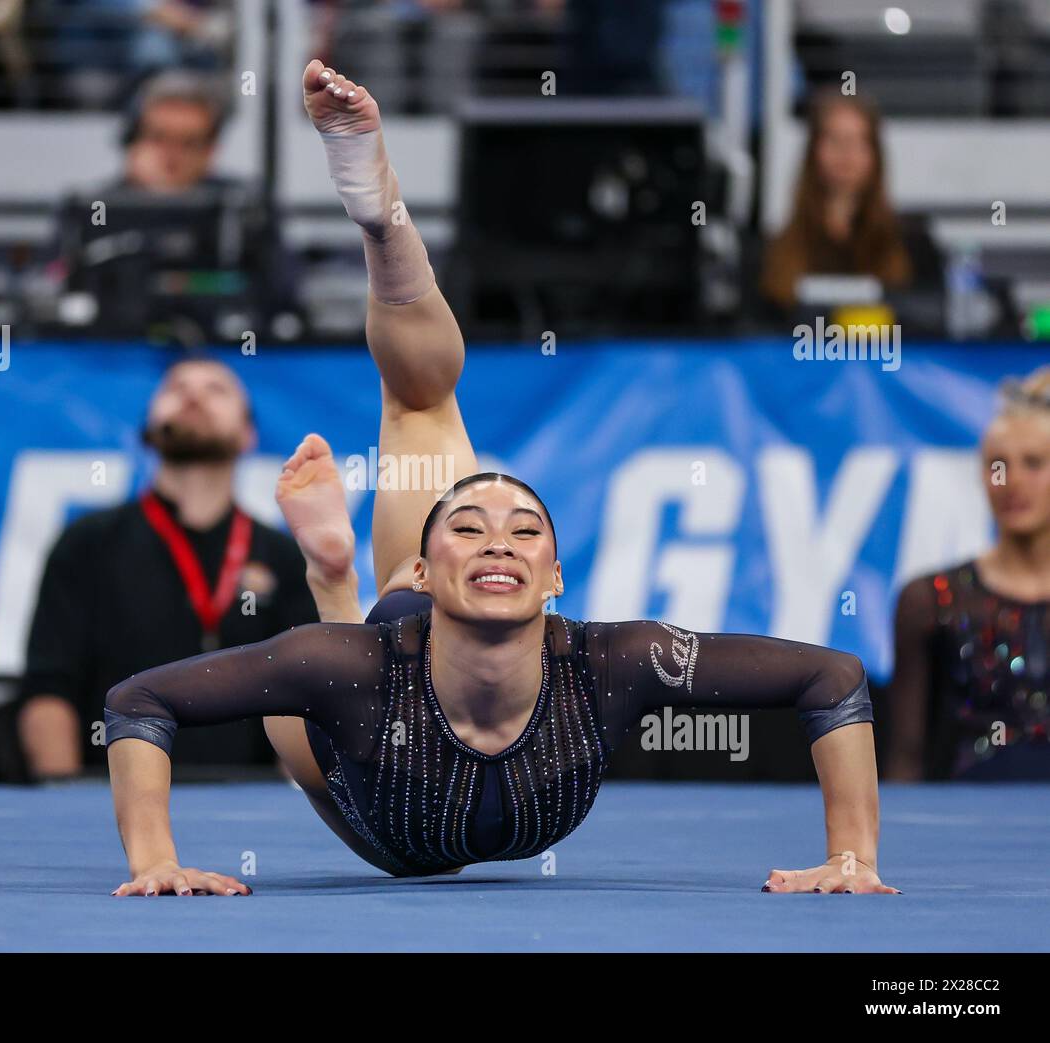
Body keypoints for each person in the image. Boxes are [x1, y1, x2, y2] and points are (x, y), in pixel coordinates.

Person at [102, 59, 897, 897]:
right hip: (365, 774)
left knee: (411, 429)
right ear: (421, 564)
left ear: (555, 574)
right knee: (415, 410)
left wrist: (852, 856)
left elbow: (831, 675)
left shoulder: (614, 662)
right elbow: (139, 700)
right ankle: (381, 226)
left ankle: (335, 570)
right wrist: (157, 860)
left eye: (525, 530)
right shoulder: (350, 668)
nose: (499, 540)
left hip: (391, 701)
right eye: (470, 527)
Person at [18, 355, 319, 778]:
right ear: (146, 430)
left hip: (248, 803)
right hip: (110, 800)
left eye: (216, 389)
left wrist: (288, 815)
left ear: (248, 435)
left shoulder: (283, 556)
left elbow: (306, 701)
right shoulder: (88, 543)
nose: (193, 396)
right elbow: (49, 688)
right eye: (176, 388)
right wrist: (63, 799)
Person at [887, 367, 1050, 781]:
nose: (1012, 482)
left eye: (1033, 464)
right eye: (998, 465)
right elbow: (905, 758)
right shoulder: (930, 599)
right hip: (971, 831)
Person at [759, 91, 917, 312]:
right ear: (813, 151)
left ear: (875, 154)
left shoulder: (911, 245)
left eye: (857, 141)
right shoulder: (776, 249)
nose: (846, 153)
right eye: (834, 139)